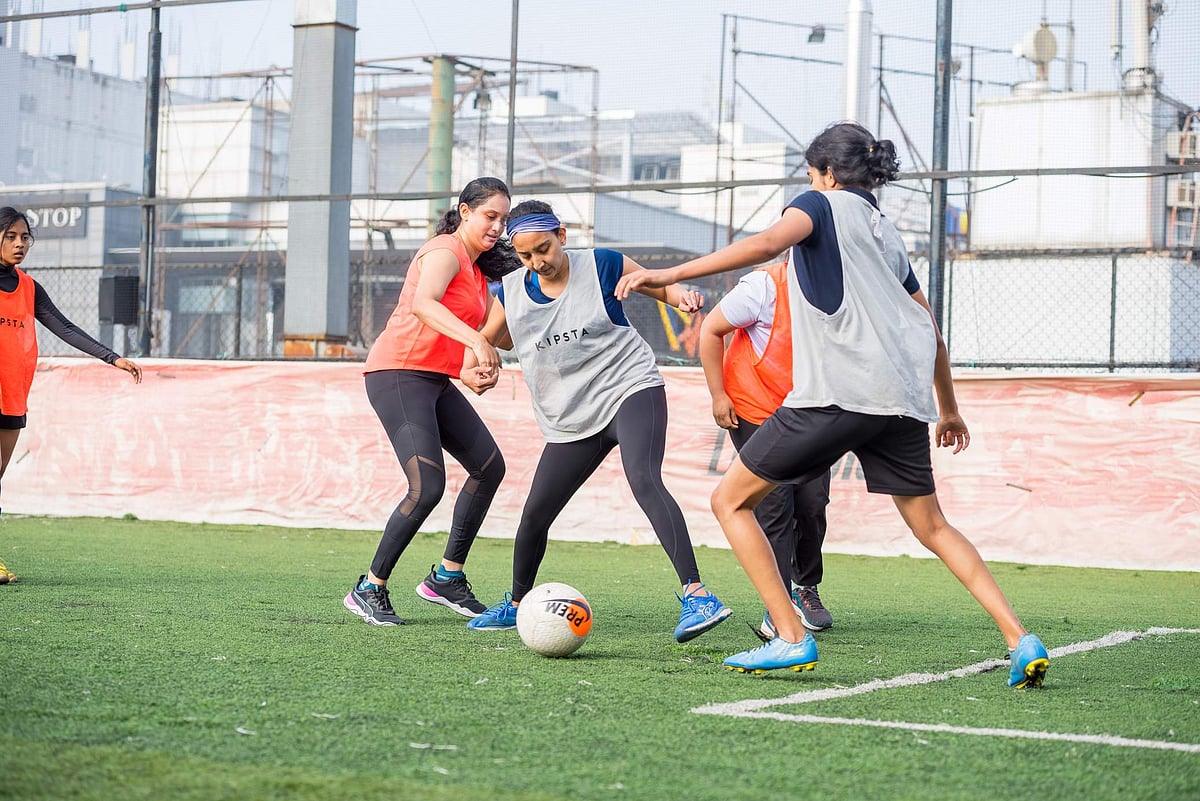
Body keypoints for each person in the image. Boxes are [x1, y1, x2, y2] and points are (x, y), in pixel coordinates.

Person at [616, 122, 1049, 687]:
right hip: (901, 402)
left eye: (811, 173)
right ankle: (1021, 638)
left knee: (730, 501)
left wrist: (668, 273)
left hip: (839, 394)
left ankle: (791, 637)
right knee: (933, 525)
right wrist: (949, 409)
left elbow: (768, 243)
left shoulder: (819, 204)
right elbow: (929, 328)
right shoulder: (887, 233)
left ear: (824, 174)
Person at [466, 200, 733, 643]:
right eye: (526, 255)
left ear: (563, 236)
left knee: (644, 479)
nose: (538, 262)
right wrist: (475, 368)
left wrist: (681, 297)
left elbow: (657, 287)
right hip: (571, 416)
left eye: (544, 249)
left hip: (630, 388)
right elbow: (481, 345)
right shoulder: (511, 290)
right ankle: (516, 604)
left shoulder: (602, 265)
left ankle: (698, 595)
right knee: (535, 514)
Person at [344, 177, 515, 626]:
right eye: (489, 215)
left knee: (489, 467)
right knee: (427, 488)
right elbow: (424, 305)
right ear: (464, 211)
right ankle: (370, 587)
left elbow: (444, 340)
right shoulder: (444, 250)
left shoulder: (480, 273)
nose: (497, 226)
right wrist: (478, 341)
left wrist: (469, 371)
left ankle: (446, 577)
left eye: (503, 218)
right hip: (396, 373)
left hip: (433, 379)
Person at [0, 206, 143, 584]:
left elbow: (64, 327)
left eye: (24, 237)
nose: (19, 244)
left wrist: (112, 357)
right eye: (10, 236)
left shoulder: (28, 287)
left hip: (13, 395)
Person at [697, 257, 834, 634]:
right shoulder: (763, 287)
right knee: (774, 505)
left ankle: (806, 586)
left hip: (810, 410)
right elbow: (710, 330)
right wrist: (717, 394)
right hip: (754, 408)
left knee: (812, 504)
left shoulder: (844, 286)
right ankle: (779, 605)